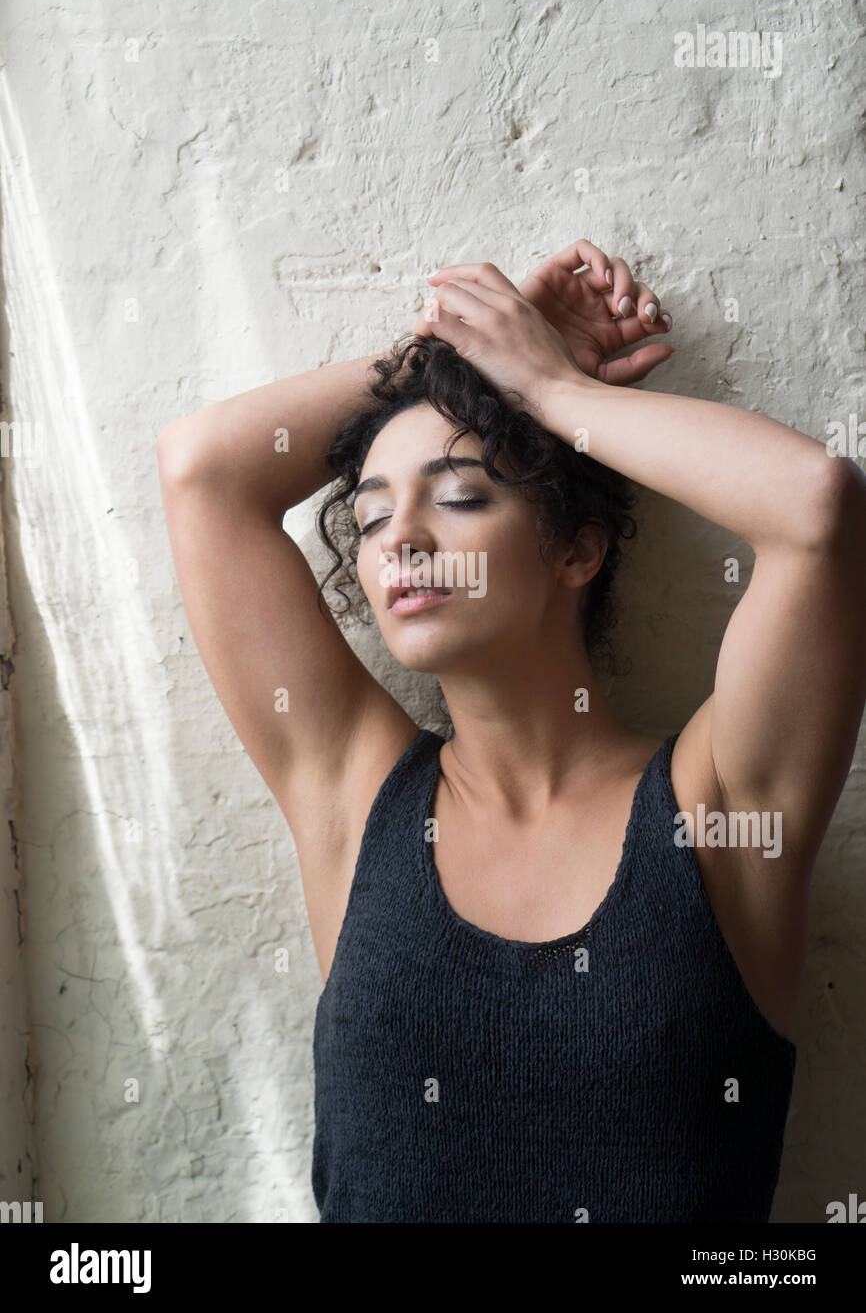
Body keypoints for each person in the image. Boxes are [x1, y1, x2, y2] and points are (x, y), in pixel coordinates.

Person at [156, 239, 866, 1223]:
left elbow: (814, 508)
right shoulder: (353, 798)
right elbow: (201, 472)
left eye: (455, 496)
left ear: (576, 547)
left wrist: (542, 382)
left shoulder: (718, 810)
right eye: (367, 518)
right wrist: (451, 359)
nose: (399, 536)